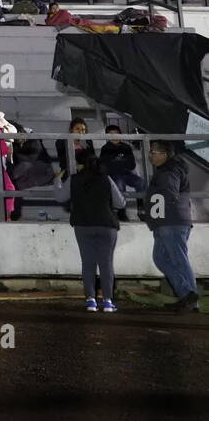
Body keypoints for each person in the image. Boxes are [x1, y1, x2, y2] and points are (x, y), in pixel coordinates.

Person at [53, 149, 125, 313]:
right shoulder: (106, 178)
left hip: (83, 225)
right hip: (106, 225)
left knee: (88, 263)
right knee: (106, 264)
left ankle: (91, 300)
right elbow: (120, 203)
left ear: (80, 164)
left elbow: (60, 197)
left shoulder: (73, 179)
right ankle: (108, 301)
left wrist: (57, 180)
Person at [144, 140, 198, 312]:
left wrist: (156, 212)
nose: (150, 155)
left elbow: (169, 194)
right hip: (168, 222)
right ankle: (187, 295)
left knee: (177, 259)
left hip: (170, 222)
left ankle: (190, 298)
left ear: (165, 155)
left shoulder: (169, 171)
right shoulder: (170, 169)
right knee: (161, 258)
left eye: (154, 152)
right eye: (150, 152)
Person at [99, 126, 141, 221]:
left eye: (116, 133)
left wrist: (116, 161)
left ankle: (142, 210)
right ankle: (121, 211)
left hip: (127, 173)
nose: (114, 136)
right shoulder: (105, 148)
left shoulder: (126, 147)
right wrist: (122, 161)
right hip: (113, 174)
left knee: (141, 183)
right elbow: (105, 165)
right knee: (119, 184)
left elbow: (131, 165)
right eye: (111, 134)